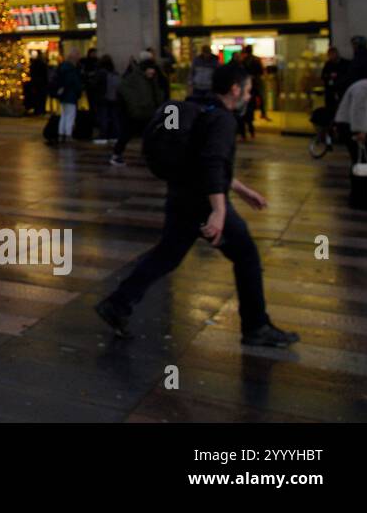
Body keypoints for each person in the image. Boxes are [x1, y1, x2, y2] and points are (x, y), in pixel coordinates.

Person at [95, 64, 301, 348]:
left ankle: (117, 304)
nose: (250, 95)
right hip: (203, 201)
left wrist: (241, 189)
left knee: (167, 256)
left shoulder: (200, 107)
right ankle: (256, 326)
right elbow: (212, 163)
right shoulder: (223, 120)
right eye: (249, 90)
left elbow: (202, 159)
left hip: (181, 195)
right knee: (247, 257)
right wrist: (219, 210)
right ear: (235, 89)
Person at [111, 59, 162, 166]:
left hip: (147, 113)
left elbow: (154, 94)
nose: (152, 71)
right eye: (150, 69)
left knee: (149, 134)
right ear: (144, 69)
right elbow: (124, 90)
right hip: (133, 113)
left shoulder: (151, 79)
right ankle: (116, 154)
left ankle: (147, 155)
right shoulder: (134, 78)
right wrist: (134, 106)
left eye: (153, 69)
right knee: (126, 134)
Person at [334, 74, 367, 210]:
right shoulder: (366, 88)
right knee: (361, 160)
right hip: (351, 127)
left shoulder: (366, 86)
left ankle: (360, 196)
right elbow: (359, 111)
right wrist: (361, 131)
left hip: (353, 126)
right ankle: (359, 198)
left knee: (361, 161)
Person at [55, 51, 83, 142]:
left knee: (64, 115)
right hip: (70, 95)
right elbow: (74, 82)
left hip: (64, 95)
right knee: (70, 115)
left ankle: (61, 134)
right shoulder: (71, 69)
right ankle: (68, 135)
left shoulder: (63, 67)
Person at [94, 55, 120, 144]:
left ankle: (103, 136)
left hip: (103, 98)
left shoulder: (101, 72)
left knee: (103, 117)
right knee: (114, 117)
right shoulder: (114, 72)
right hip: (114, 98)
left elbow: (95, 84)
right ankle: (114, 135)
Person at [240, 44, 267, 121]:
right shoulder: (257, 59)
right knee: (261, 97)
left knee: (250, 99)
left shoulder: (244, 60)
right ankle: (263, 113)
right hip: (257, 81)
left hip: (248, 82)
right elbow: (261, 71)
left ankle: (250, 116)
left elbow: (243, 72)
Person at [321, 46, 348, 113]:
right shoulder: (328, 64)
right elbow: (324, 76)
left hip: (342, 90)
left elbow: (347, 76)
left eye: (333, 54)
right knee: (331, 108)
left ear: (337, 54)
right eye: (330, 55)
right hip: (330, 91)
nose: (331, 56)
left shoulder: (345, 64)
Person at [28, 50, 48, 115]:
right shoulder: (42, 64)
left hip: (36, 83)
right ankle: (42, 110)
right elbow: (45, 75)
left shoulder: (33, 65)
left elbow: (32, 74)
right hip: (41, 84)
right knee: (41, 98)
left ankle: (38, 110)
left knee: (37, 98)